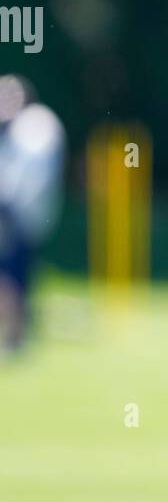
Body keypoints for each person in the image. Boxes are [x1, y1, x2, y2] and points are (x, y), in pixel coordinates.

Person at [0, 76, 66, 350]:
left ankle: (17, 337)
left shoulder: (34, 124)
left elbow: (28, 176)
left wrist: (9, 204)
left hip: (20, 214)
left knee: (14, 277)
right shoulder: (29, 125)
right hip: (26, 213)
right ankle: (16, 335)